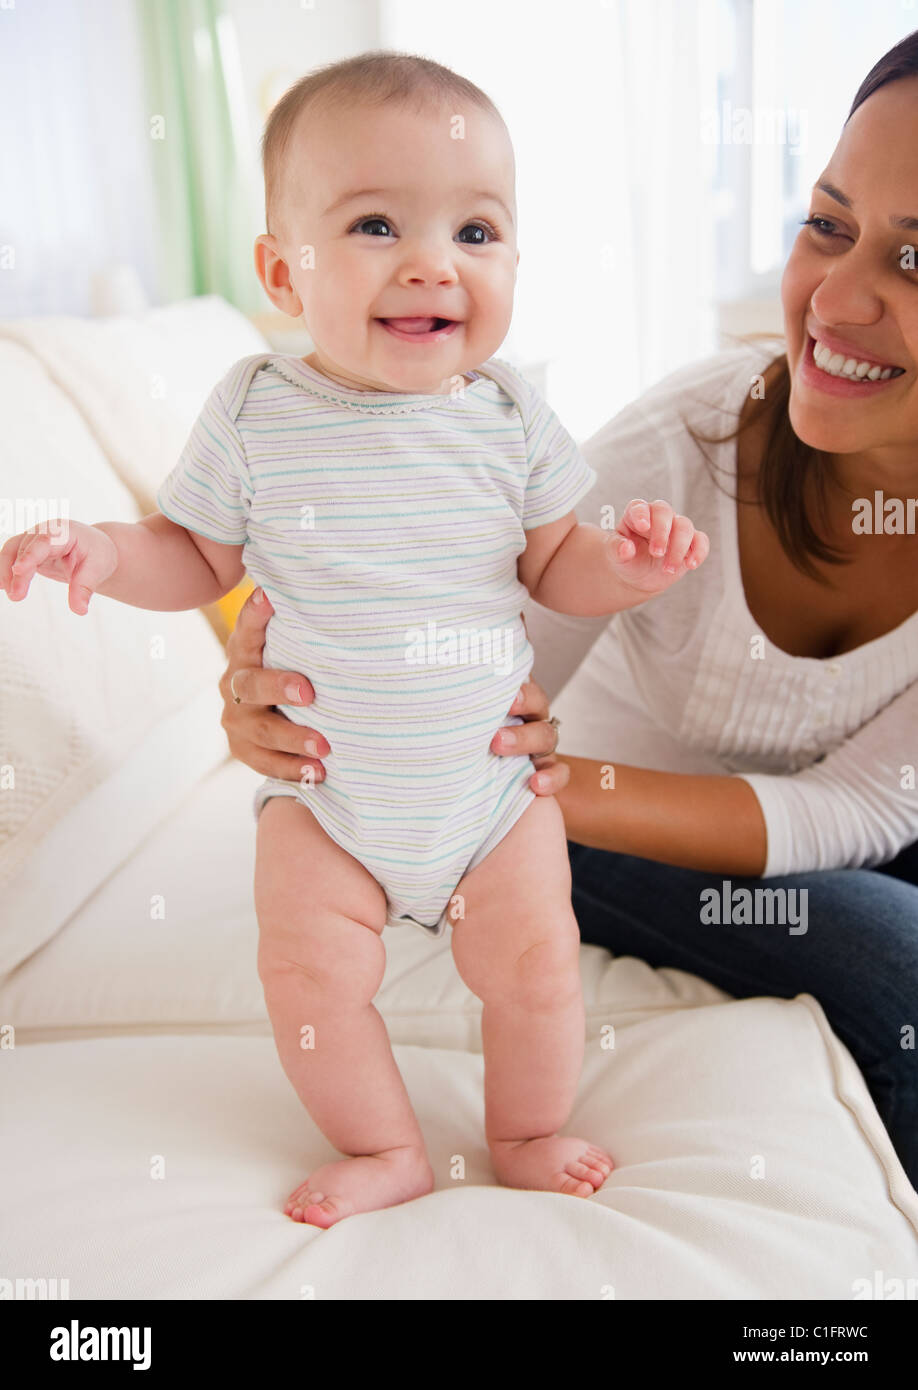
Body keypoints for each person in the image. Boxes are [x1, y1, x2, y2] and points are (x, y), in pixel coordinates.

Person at [0, 50, 711, 1228]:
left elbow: (554, 566)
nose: (434, 261)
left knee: (536, 968)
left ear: (516, 264)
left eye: (476, 232)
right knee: (308, 977)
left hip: (489, 793)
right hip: (325, 798)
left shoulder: (508, 413)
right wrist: (105, 554)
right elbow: (196, 555)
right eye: (378, 224)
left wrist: (624, 567)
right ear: (285, 269)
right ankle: (386, 1145)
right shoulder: (255, 408)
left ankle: (527, 1126)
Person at [218, 35, 918, 1193]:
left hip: (820, 813)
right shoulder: (690, 440)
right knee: (898, 960)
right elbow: (447, 642)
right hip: (577, 821)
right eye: (828, 225)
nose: (836, 300)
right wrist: (291, 708)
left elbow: (867, 802)